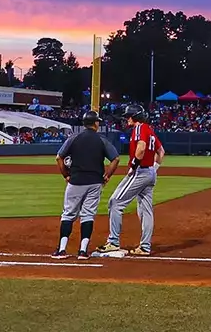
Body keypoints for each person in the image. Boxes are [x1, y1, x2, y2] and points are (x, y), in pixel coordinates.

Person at [51, 111, 119, 260]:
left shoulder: (74, 138)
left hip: (76, 181)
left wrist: (66, 175)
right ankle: (82, 251)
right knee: (88, 215)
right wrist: (107, 175)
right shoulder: (101, 140)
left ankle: (62, 250)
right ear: (95, 123)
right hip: (95, 182)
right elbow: (115, 159)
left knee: (68, 214)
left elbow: (59, 157)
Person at [98, 108, 162, 257]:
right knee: (146, 210)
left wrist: (133, 166)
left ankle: (113, 242)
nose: (127, 119)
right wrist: (154, 169)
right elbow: (161, 152)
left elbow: (141, 148)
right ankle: (145, 247)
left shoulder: (139, 127)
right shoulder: (150, 130)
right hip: (150, 172)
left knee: (115, 202)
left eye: (128, 117)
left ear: (135, 117)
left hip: (140, 171)